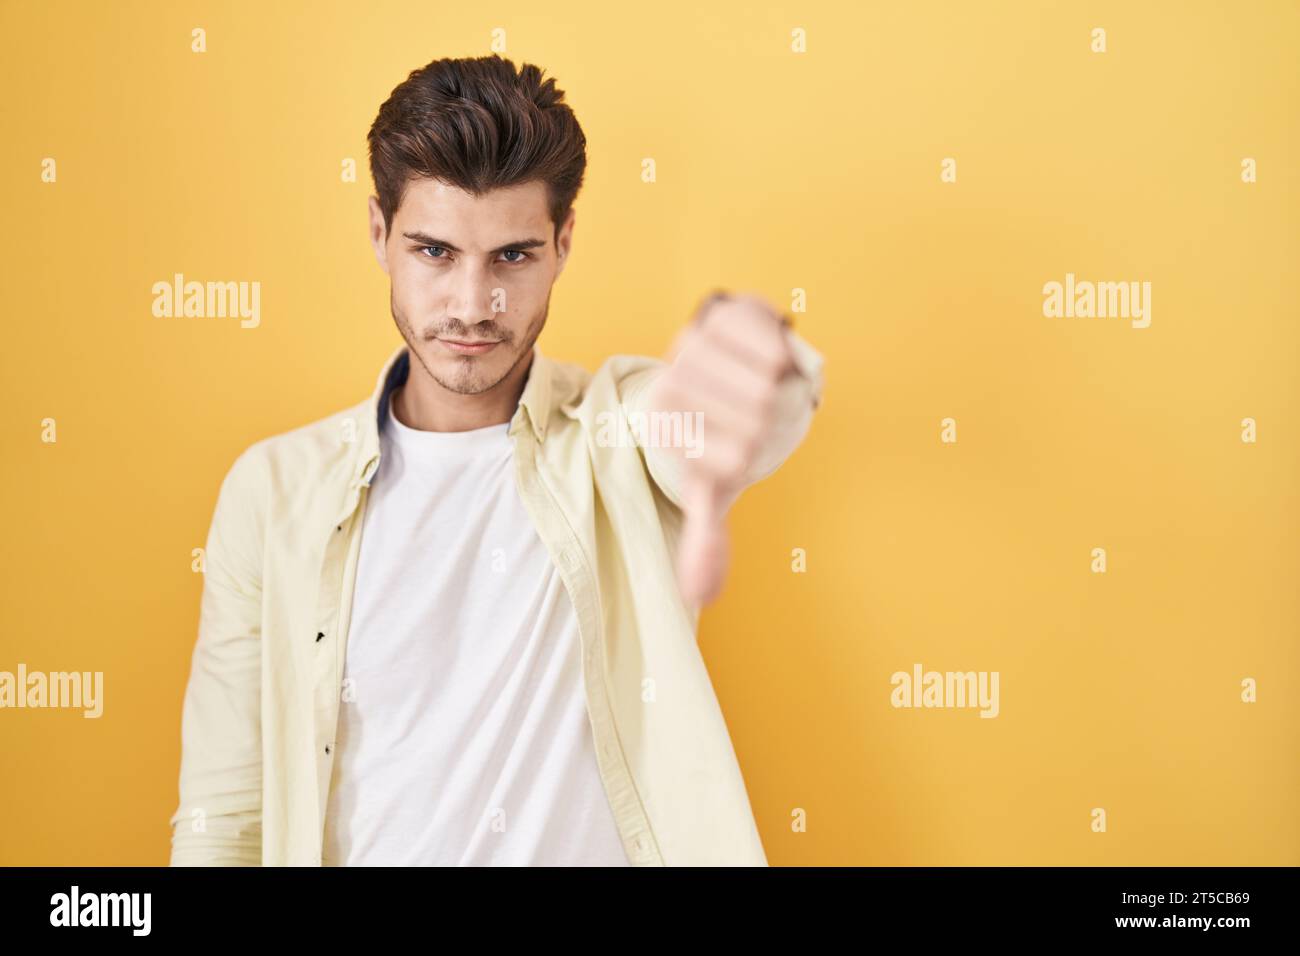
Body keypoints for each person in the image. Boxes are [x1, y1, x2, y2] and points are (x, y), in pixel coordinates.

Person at [168, 54, 824, 867]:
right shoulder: (273, 493)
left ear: (563, 242)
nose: (473, 305)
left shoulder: (615, 435)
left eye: (512, 256)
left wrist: (769, 368)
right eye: (435, 252)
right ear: (380, 234)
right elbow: (224, 814)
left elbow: (703, 422)